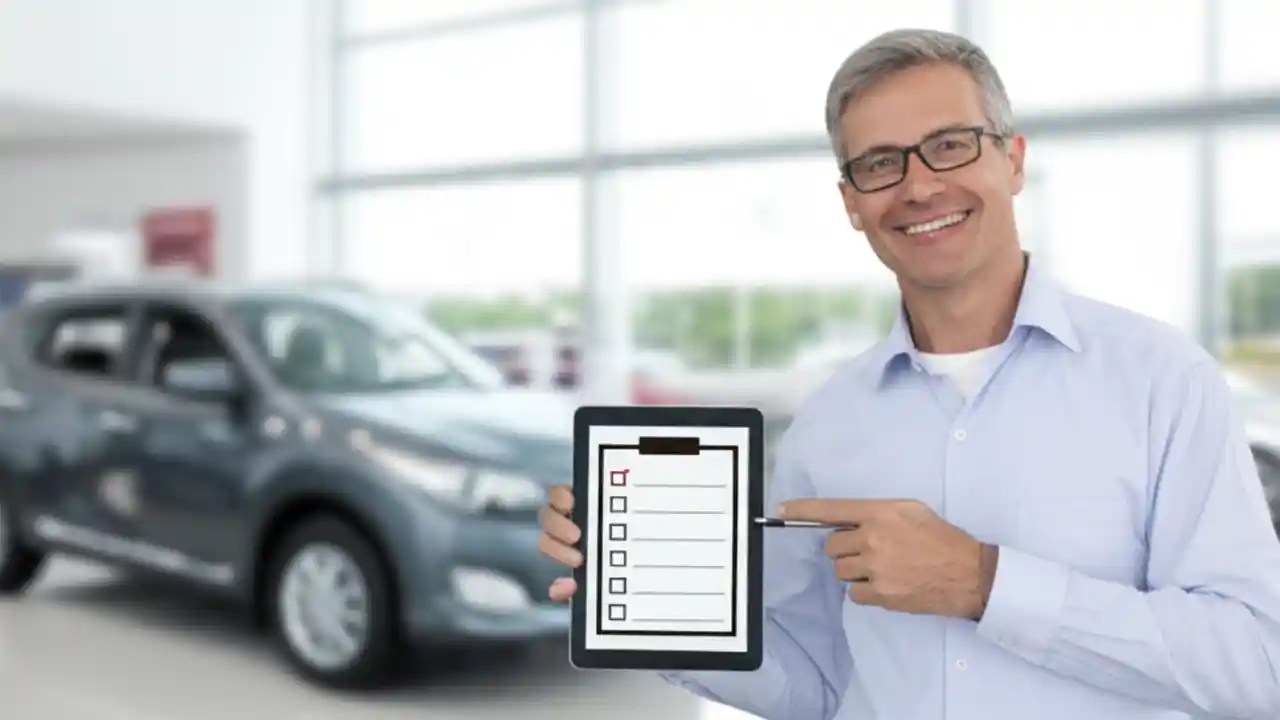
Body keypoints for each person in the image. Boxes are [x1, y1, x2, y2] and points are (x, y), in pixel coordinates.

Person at [537, 28, 1280, 719]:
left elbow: (1258, 663)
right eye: (879, 163)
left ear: (1013, 160)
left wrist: (984, 582)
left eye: (950, 145)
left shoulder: (1162, 381)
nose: (919, 187)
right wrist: (652, 611)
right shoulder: (829, 422)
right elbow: (818, 685)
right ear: (852, 202)